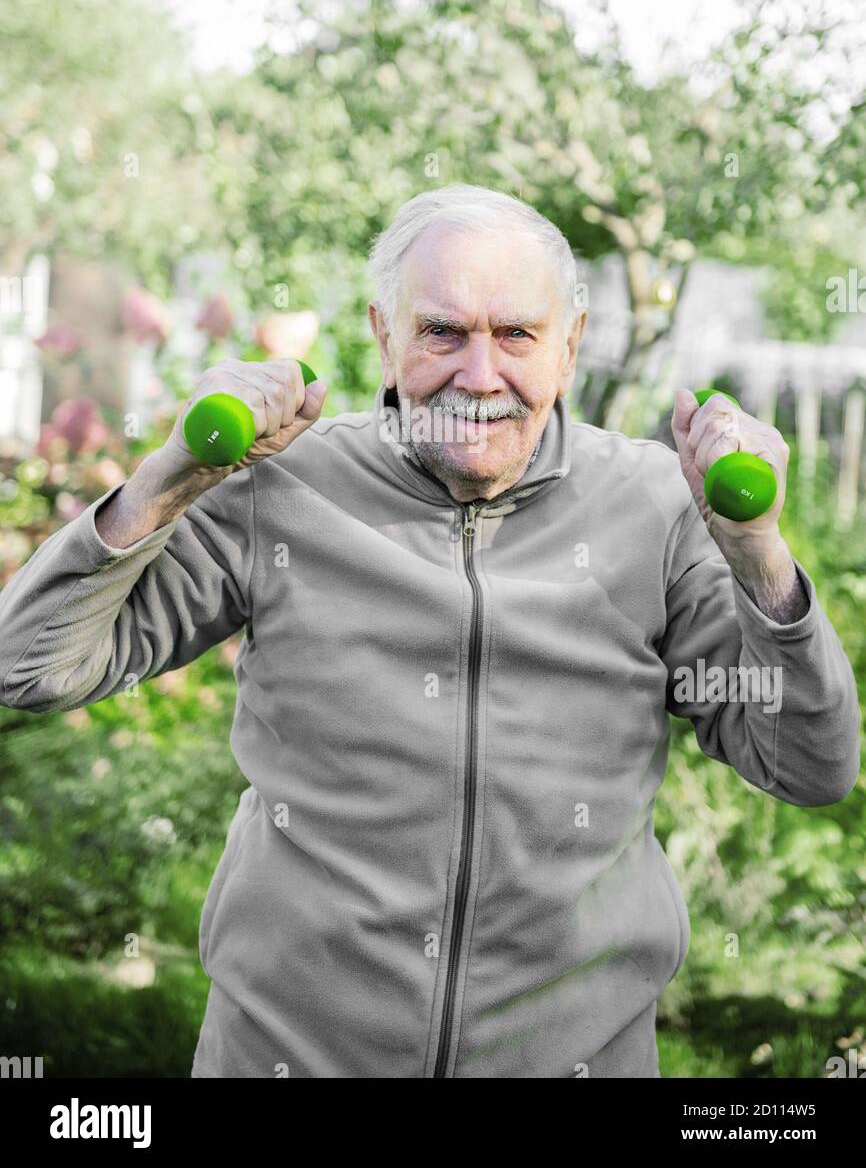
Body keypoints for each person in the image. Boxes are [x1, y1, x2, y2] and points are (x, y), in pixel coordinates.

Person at [0, 183, 859, 1078]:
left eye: (517, 335)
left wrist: (757, 553)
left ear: (569, 345)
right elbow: (29, 665)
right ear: (384, 336)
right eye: (442, 333)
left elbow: (810, 766)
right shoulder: (282, 487)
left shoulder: (657, 507)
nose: (478, 375)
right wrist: (172, 476)